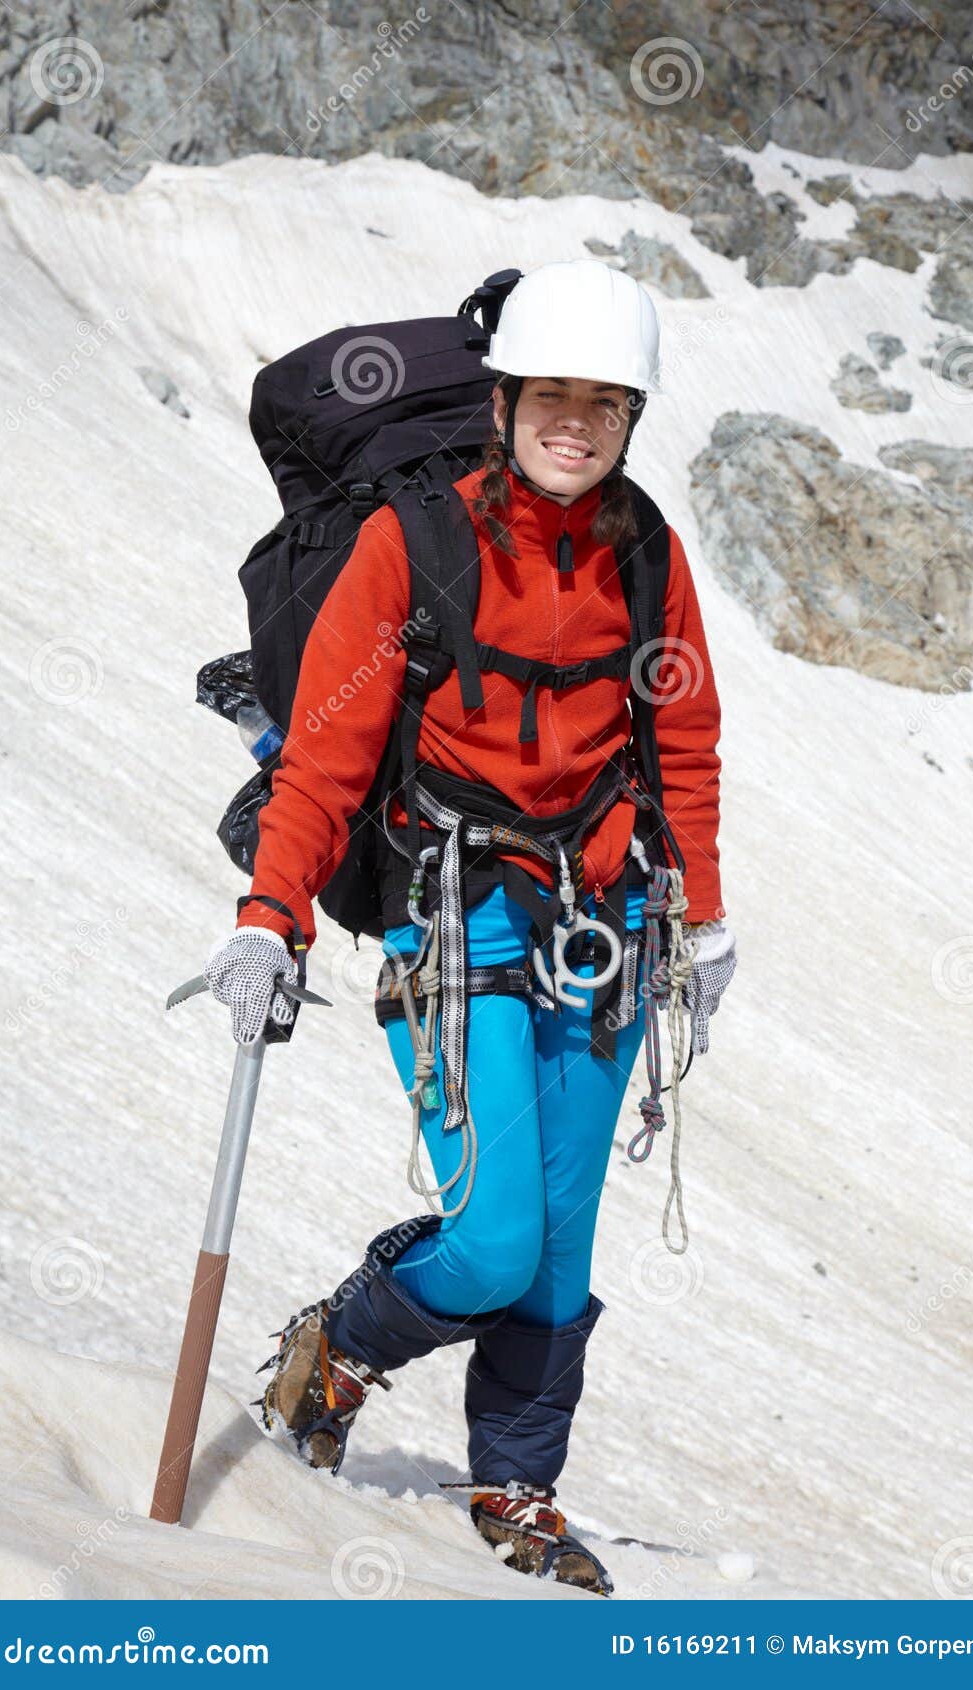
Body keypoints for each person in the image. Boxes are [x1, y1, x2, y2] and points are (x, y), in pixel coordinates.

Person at [203, 258, 735, 1595]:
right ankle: (341, 1347)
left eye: (603, 404)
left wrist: (706, 920)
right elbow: (325, 758)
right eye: (550, 397)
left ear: (630, 418)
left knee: (555, 1252)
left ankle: (515, 1485)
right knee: (495, 1238)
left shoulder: (646, 552)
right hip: (456, 913)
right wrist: (269, 918)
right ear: (501, 404)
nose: (575, 425)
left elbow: (683, 742)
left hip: (609, 924)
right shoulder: (413, 543)